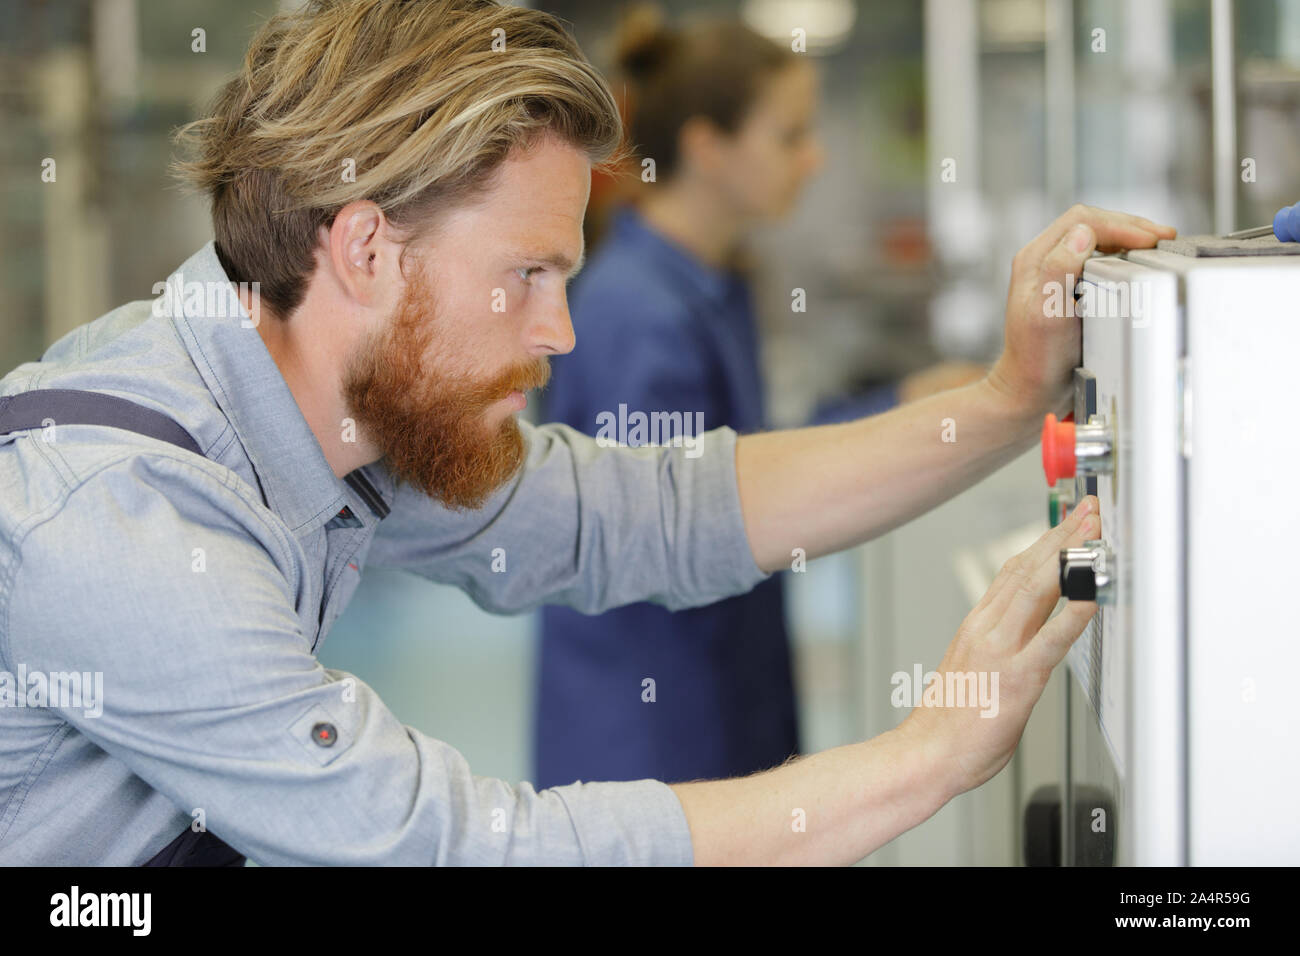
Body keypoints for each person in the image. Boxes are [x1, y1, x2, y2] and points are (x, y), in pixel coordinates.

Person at [0, 0, 1171, 866]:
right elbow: (439, 849)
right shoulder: (120, 522)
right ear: (363, 248)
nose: (559, 330)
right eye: (523, 275)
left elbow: (645, 511)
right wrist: (925, 758)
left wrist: (1008, 401)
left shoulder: (314, 399)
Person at [535, 10, 984, 790]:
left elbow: (739, 466)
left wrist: (903, 403)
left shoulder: (713, 284)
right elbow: (679, 525)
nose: (812, 159)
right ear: (709, 149)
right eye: (789, 136)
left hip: (726, 699)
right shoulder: (637, 316)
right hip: (654, 740)